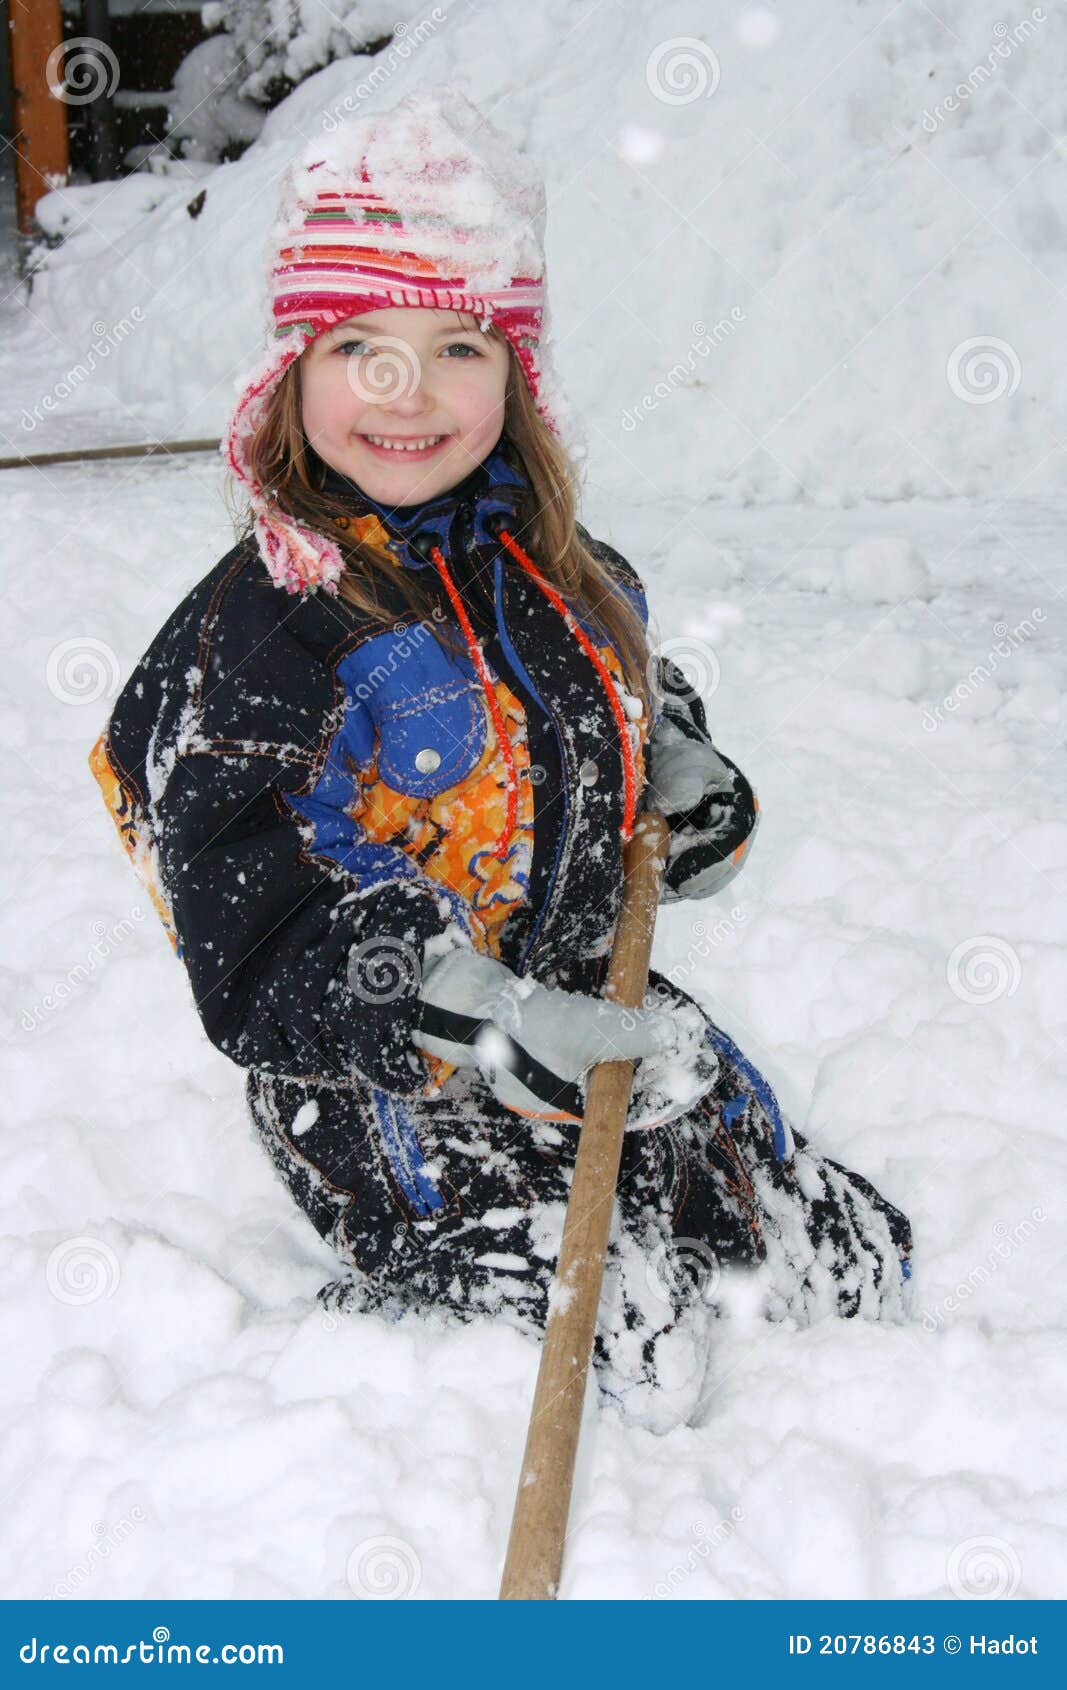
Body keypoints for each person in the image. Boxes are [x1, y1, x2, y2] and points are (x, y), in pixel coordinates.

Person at [89, 86, 912, 1426]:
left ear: (517, 370)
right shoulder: (269, 629)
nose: (408, 394)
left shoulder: (564, 573)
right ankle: (388, 1372)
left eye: (460, 344)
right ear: (290, 367)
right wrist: (463, 1009)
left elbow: (616, 698)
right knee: (599, 1322)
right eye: (360, 342)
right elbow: (253, 915)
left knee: (815, 1249)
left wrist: (683, 768)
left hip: (583, 991)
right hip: (383, 1066)